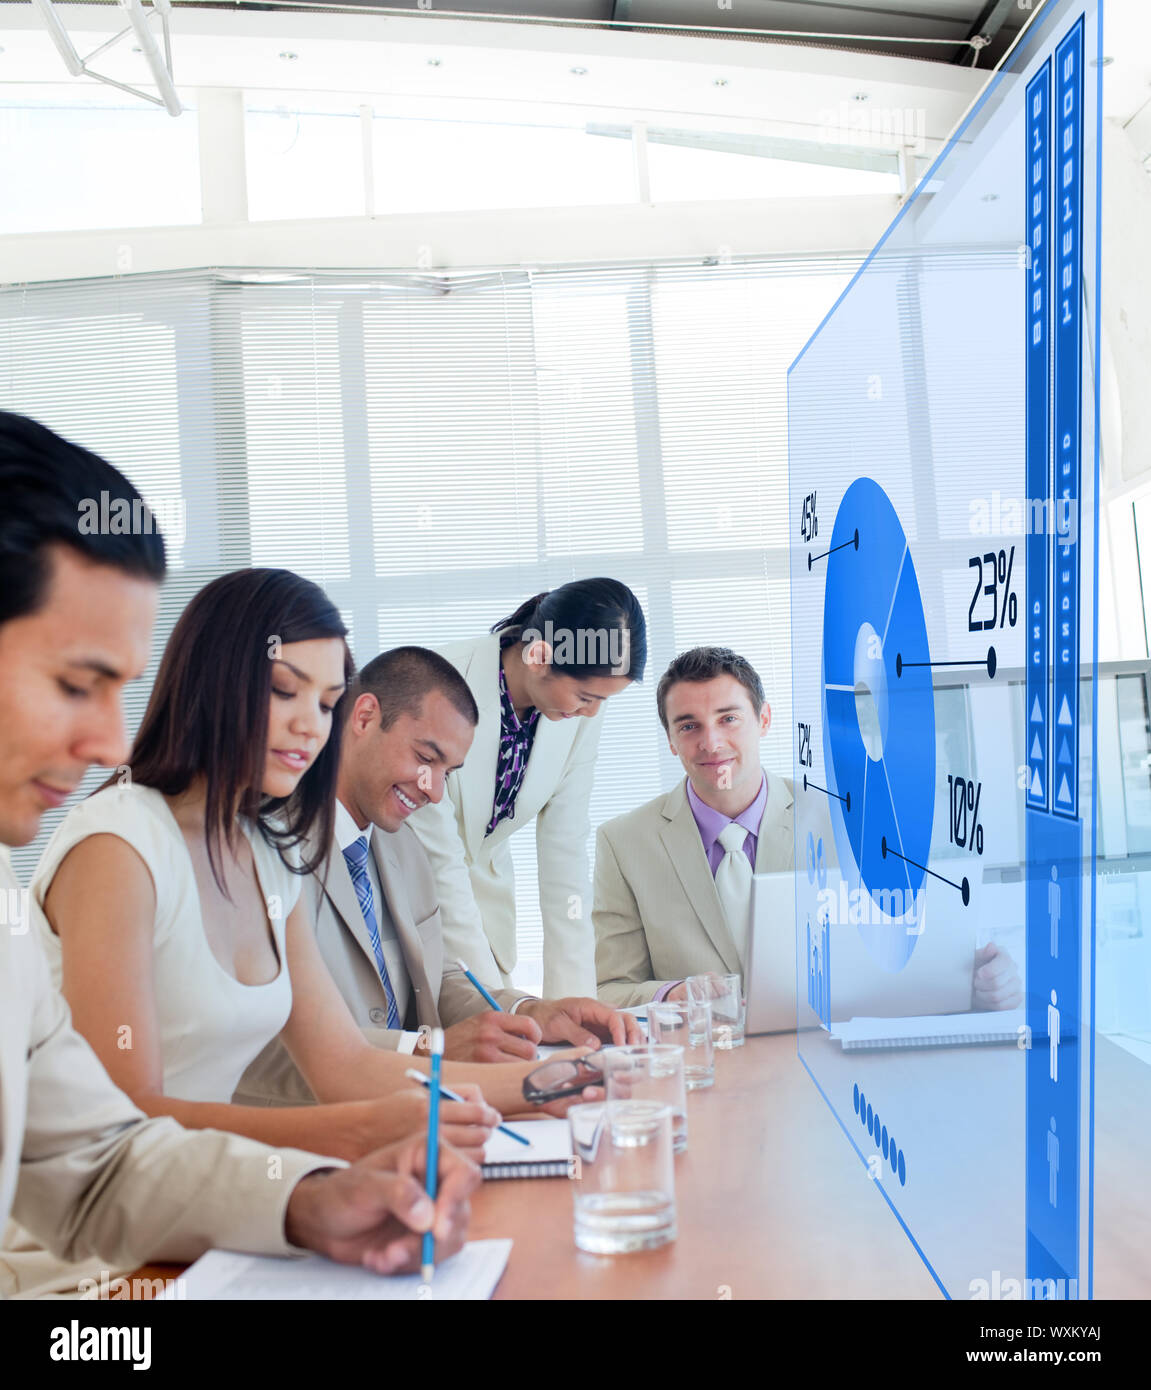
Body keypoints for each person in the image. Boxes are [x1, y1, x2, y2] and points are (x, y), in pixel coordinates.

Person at [0, 412, 477, 1299]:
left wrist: (307, 1202)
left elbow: (96, 1158)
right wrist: (346, 1137)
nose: (109, 741)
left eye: (330, 701)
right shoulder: (120, 841)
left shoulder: (259, 852)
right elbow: (133, 1117)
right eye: (75, 684)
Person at [238, 646, 643, 1107]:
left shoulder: (402, 845)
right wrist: (432, 1050)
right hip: (306, 1136)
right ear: (365, 716)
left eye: (447, 772)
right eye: (424, 758)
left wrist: (526, 1012)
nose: (433, 793)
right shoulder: (260, 847)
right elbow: (255, 1043)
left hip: (419, 1122)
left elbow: (439, 976)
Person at [594, 646, 1022, 1012]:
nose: (711, 742)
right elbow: (609, 992)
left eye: (728, 719)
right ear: (670, 740)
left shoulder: (849, 819)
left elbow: (913, 952)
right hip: (708, 1075)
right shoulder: (624, 843)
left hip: (831, 1063)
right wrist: (674, 994)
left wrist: (985, 983)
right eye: (689, 726)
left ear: (763, 721)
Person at [409, 580, 647, 998]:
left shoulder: (580, 715)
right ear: (539, 657)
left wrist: (574, 1005)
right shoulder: (437, 681)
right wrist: (493, 1002)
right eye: (585, 696)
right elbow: (439, 853)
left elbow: (566, 852)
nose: (590, 712)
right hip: (411, 902)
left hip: (486, 913)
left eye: (602, 701)